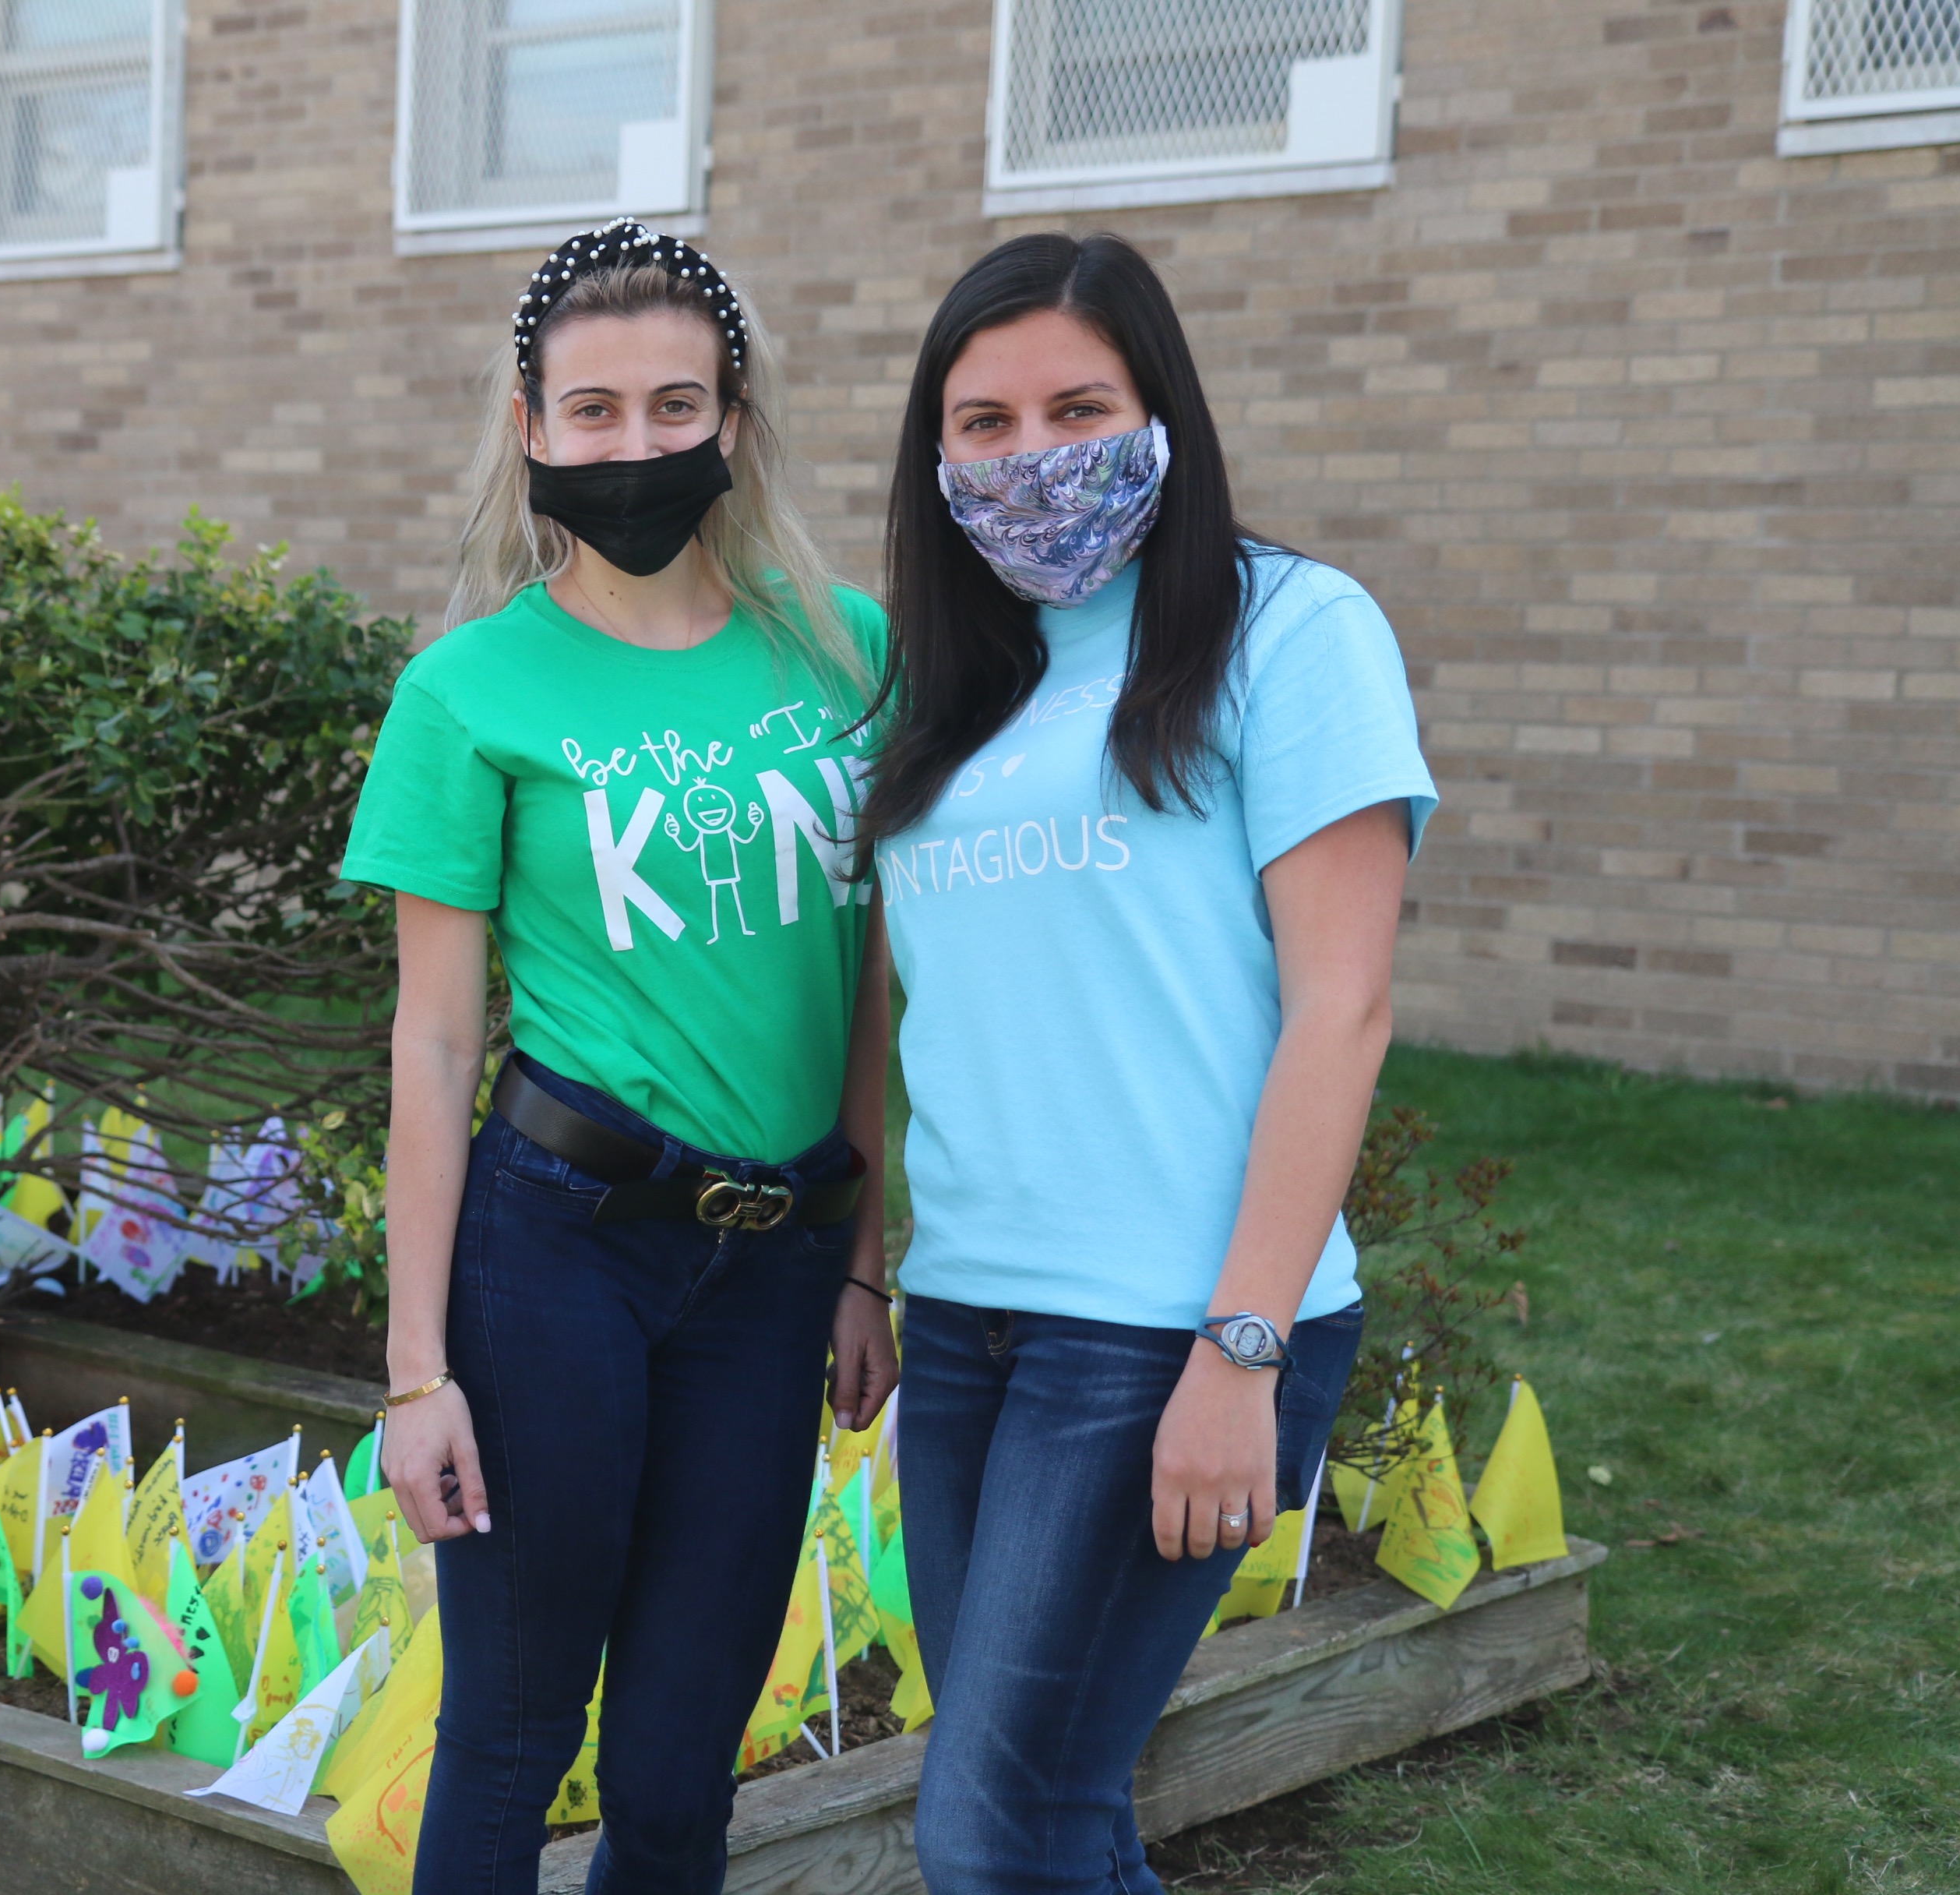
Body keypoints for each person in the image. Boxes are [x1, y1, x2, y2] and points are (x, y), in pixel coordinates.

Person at [862, 232, 1436, 1894]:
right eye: (982, 422)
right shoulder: (952, 683)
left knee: (993, 1824)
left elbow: (1346, 1009)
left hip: (1172, 1326)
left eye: (1078, 404)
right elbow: (923, 1012)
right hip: (968, 1320)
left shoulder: (1293, 632)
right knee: (1053, 1807)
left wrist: (1240, 1351)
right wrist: (873, 1267)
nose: (1031, 455)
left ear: (1161, 410)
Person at [340, 217, 899, 1895]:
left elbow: (869, 980)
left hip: (777, 1264)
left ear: (735, 420)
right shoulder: (467, 691)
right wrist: (416, 1368)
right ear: (531, 427)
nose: (636, 443)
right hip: (557, 1255)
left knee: (678, 1760)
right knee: (514, 1734)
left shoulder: (847, 649)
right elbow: (433, 1047)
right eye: (593, 411)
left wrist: (866, 1258)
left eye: (677, 404)